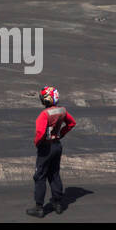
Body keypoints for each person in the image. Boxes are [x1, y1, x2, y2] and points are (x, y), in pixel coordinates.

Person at [27, 86, 75, 216]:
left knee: (40, 176)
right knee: (54, 173)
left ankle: (39, 208)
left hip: (46, 147)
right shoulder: (62, 110)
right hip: (57, 145)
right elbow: (71, 123)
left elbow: (40, 132)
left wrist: (37, 143)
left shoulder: (44, 114)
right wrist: (60, 134)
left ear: (46, 100)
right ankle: (58, 203)